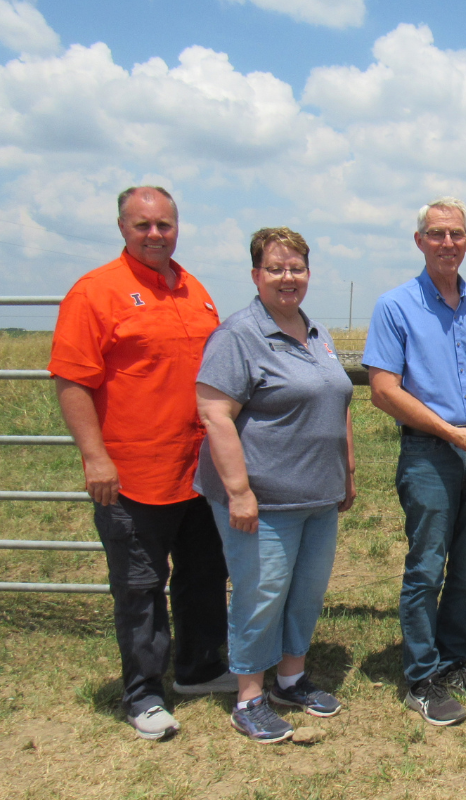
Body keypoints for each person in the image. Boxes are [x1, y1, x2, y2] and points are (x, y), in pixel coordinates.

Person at [48, 186, 235, 740]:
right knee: (139, 585)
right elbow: (71, 379)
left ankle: (201, 668)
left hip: (198, 470)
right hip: (131, 473)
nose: (155, 234)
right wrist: (94, 456)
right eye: (143, 225)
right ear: (122, 228)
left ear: (178, 227)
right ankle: (144, 693)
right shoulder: (95, 292)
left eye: (165, 225)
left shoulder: (194, 289)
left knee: (205, 575)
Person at [194, 227, 355, 743]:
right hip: (260, 501)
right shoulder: (237, 335)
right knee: (261, 594)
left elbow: (339, 403)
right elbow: (216, 415)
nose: (288, 278)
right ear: (255, 275)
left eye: (297, 268)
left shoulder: (318, 333)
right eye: (276, 268)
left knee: (305, 592)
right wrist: (239, 492)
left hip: (318, 495)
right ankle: (249, 696)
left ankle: (291, 678)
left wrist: (346, 472)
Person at [363, 197, 466, 727]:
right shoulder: (395, 306)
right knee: (427, 568)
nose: (447, 242)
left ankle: (452, 661)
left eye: (456, 234)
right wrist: (450, 431)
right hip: (429, 453)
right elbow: (383, 390)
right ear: (419, 240)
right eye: (436, 234)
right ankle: (421, 676)